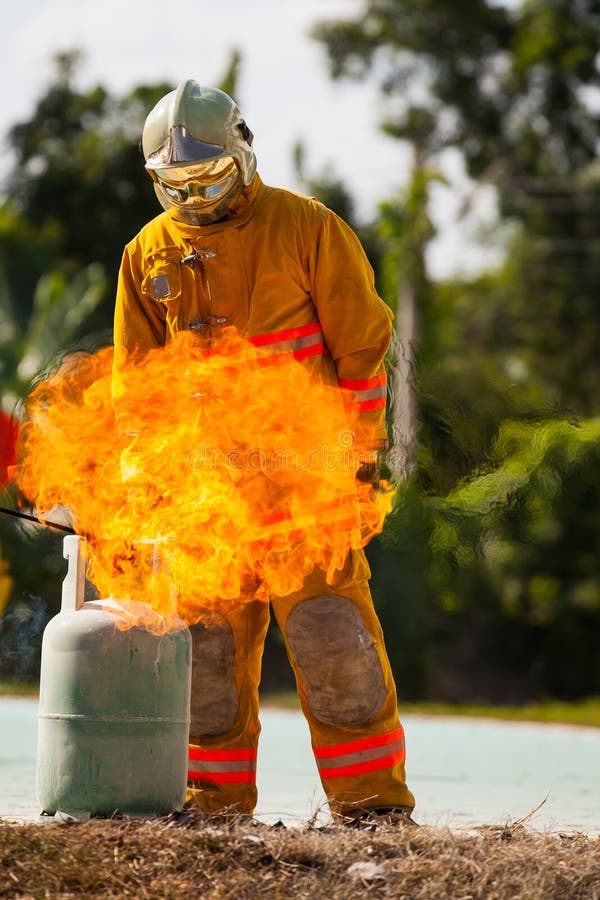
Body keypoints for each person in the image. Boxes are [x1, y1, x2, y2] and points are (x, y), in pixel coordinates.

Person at [113, 80, 415, 824]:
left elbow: (361, 358)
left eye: (209, 181)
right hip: (205, 509)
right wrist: (140, 485)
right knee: (206, 670)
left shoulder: (309, 229)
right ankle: (212, 811)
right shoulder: (147, 256)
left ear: (243, 155)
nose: (195, 201)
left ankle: (373, 809)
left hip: (303, 493)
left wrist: (359, 461)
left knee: (337, 650)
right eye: (176, 188)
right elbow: (135, 393)